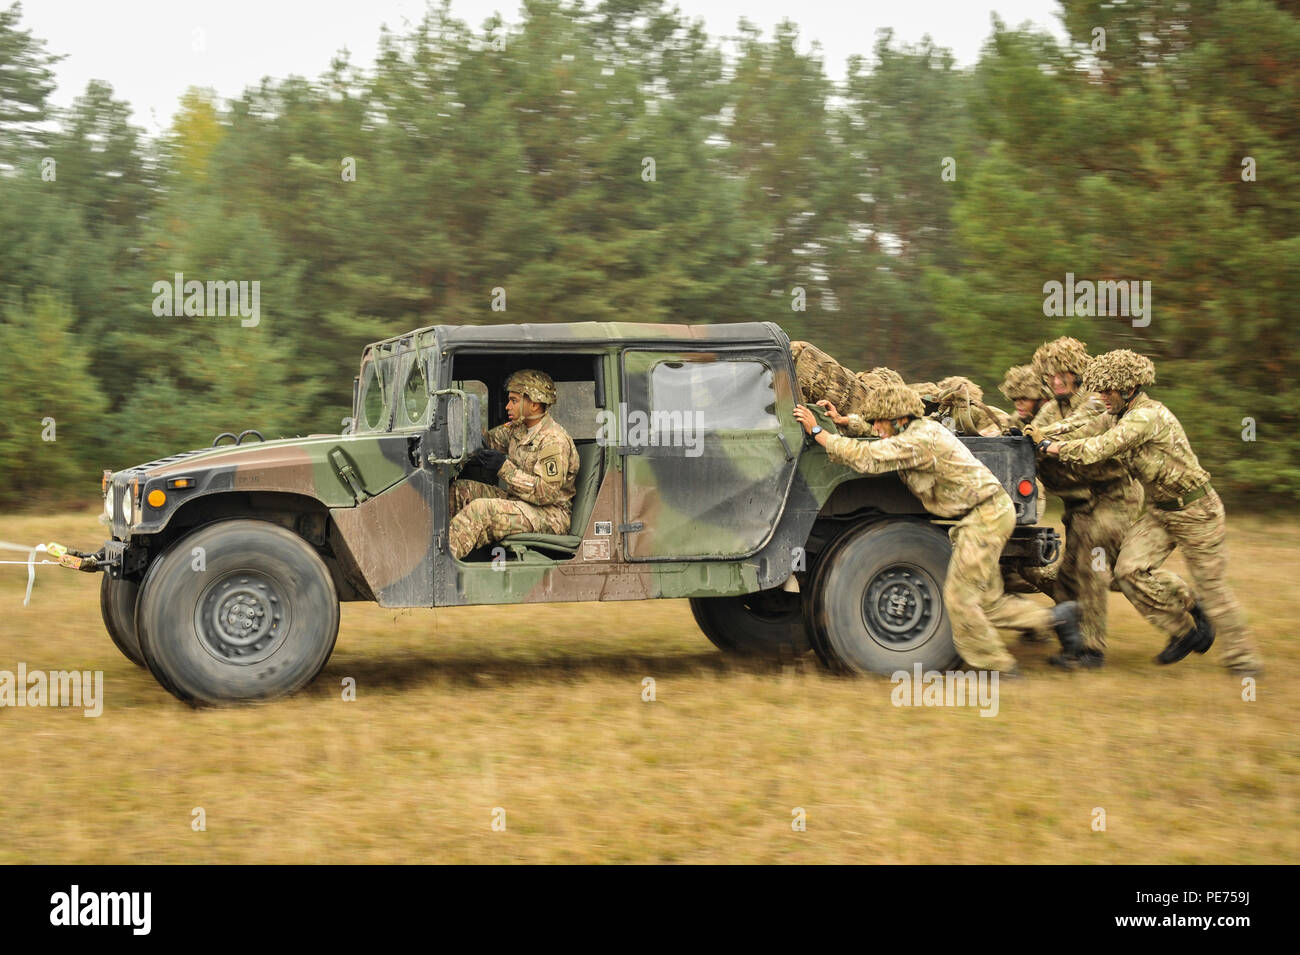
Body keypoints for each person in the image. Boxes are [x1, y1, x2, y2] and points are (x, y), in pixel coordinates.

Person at [793, 383, 1082, 674]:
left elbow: (869, 456)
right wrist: (848, 422)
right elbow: (879, 440)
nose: (876, 427)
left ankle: (1000, 667)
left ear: (898, 418)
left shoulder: (920, 441)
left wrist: (819, 432)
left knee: (959, 600)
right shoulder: (916, 430)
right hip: (982, 514)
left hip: (985, 516)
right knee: (988, 602)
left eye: (879, 421)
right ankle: (1058, 618)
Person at [1039, 350, 1261, 674]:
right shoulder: (1115, 414)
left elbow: (1102, 447)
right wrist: (1039, 436)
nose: (1101, 396)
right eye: (1098, 389)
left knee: (1212, 588)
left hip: (1197, 510)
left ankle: (1243, 661)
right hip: (1160, 511)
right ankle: (1185, 631)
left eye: (1107, 390)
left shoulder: (1146, 417)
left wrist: (1055, 448)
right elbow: (1083, 430)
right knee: (1127, 572)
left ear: (1128, 388)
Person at [1023, 338, 1143, 669]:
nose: (1058, 381)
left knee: (1095, 567)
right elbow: (1035, 431)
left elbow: (1076, 430)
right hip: (1082, 502)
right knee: (1068, 578)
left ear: (1078, 373)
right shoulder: (1050, 407)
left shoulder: (1094, 401)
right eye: (1051, 376)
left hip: (1116, 495)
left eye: (1065, 374)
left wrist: (1041, 437)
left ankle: (1092, 650)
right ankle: (1073, 646)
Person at [448, 370, 580, 560]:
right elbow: (486, 441)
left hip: (549, 515)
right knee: (459, 491)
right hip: (520, 502)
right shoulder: (519, 429)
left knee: (481, 510)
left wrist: (504, 468)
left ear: (534, 404)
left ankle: (442, 568)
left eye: (514, 400)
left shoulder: (553, 440)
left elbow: (547, 493)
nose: (508, 406)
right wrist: (461, 433)